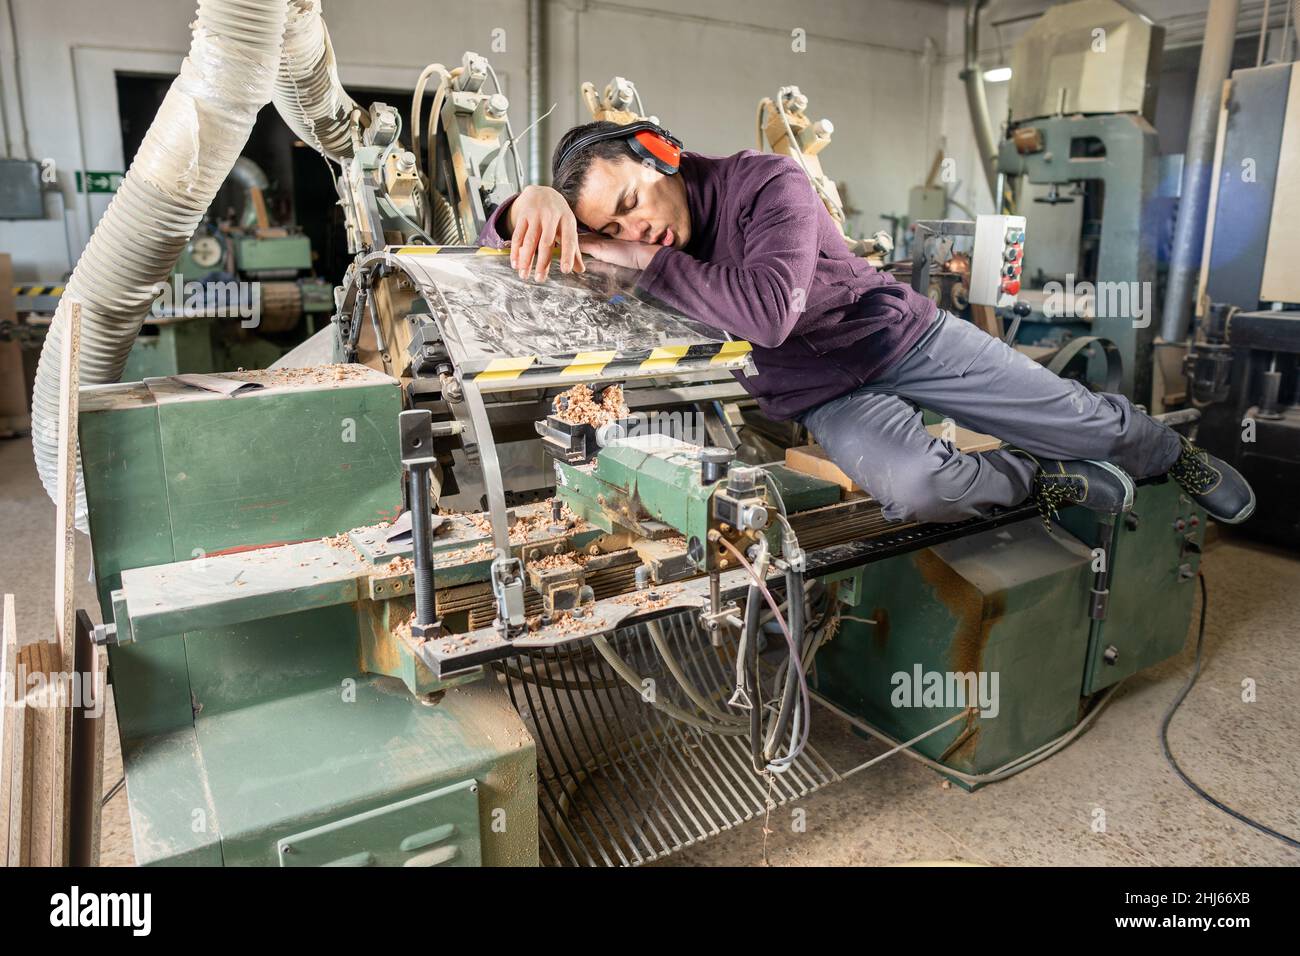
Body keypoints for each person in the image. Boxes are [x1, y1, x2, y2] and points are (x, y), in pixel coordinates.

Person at [477, 120, 1254, 527]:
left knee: (1092, 426)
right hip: (819, 391)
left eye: (630, 206)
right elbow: (491, 250)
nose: (634, 231)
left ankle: (1170, 456)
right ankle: (1039, 478)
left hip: (902, 339)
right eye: (610, 229)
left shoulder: (766, 183)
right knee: (920, 490)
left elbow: (768, 313)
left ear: (663, 156)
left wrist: (641, 262)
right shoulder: (639, 235)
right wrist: (521, 206)